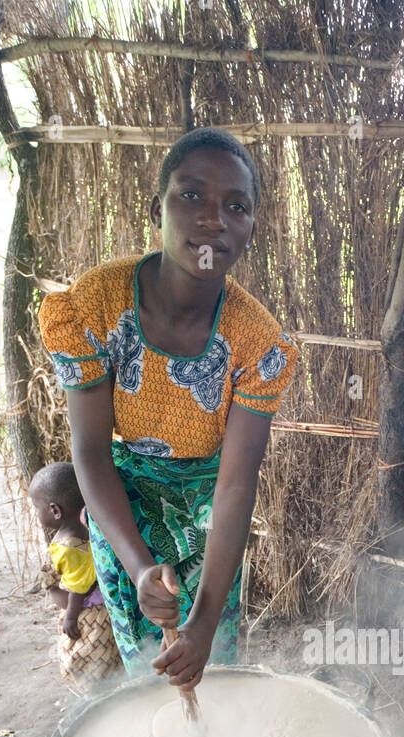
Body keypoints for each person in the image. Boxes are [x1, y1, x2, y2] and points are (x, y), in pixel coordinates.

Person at [37, 127, 300, 689]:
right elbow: (90, 453)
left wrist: (203, 622)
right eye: (191, 194)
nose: (213, 219)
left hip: (211, 523)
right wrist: (137, 568)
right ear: (155, 209)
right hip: (122, 508)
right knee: (146, 679)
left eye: (236, 206)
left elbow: (235, 484)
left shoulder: (259, 342)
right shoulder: (95, 307)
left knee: (209, 670)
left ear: (251, 229)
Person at [30, 461, 122, 690]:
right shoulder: (82, 530)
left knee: (85, 658)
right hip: (87, 608)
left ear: (55, 510)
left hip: (87, 614)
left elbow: (79, 587)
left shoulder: (70, 547)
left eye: (37, 507)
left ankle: (98, 695)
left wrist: (71, 617)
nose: (36, 513)